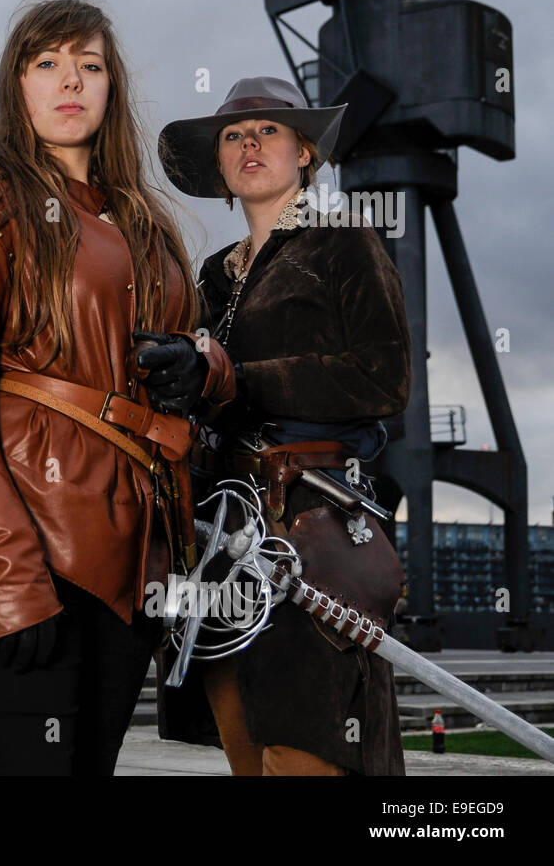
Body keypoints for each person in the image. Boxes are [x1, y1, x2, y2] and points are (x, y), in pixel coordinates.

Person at [0, 0, 236, 775]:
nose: (71, 79)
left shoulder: (149, 222)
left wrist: (205, 367)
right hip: (16, 529)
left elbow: (201, 355)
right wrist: (9, 568)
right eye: (48, 63)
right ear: (18, 84)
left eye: (91, 65)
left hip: (129, 541)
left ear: (112, 87)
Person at [156, 75, 411, 775]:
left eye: (268, 130)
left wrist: (238, 374)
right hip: (223, 529)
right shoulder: (212, 275)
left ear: (305, 153)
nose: (249, 144)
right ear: (222, 171)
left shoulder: (342, 241)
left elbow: (383, 377)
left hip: (312, 514)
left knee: (309, 747)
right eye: (234, 136)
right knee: (246, 745)